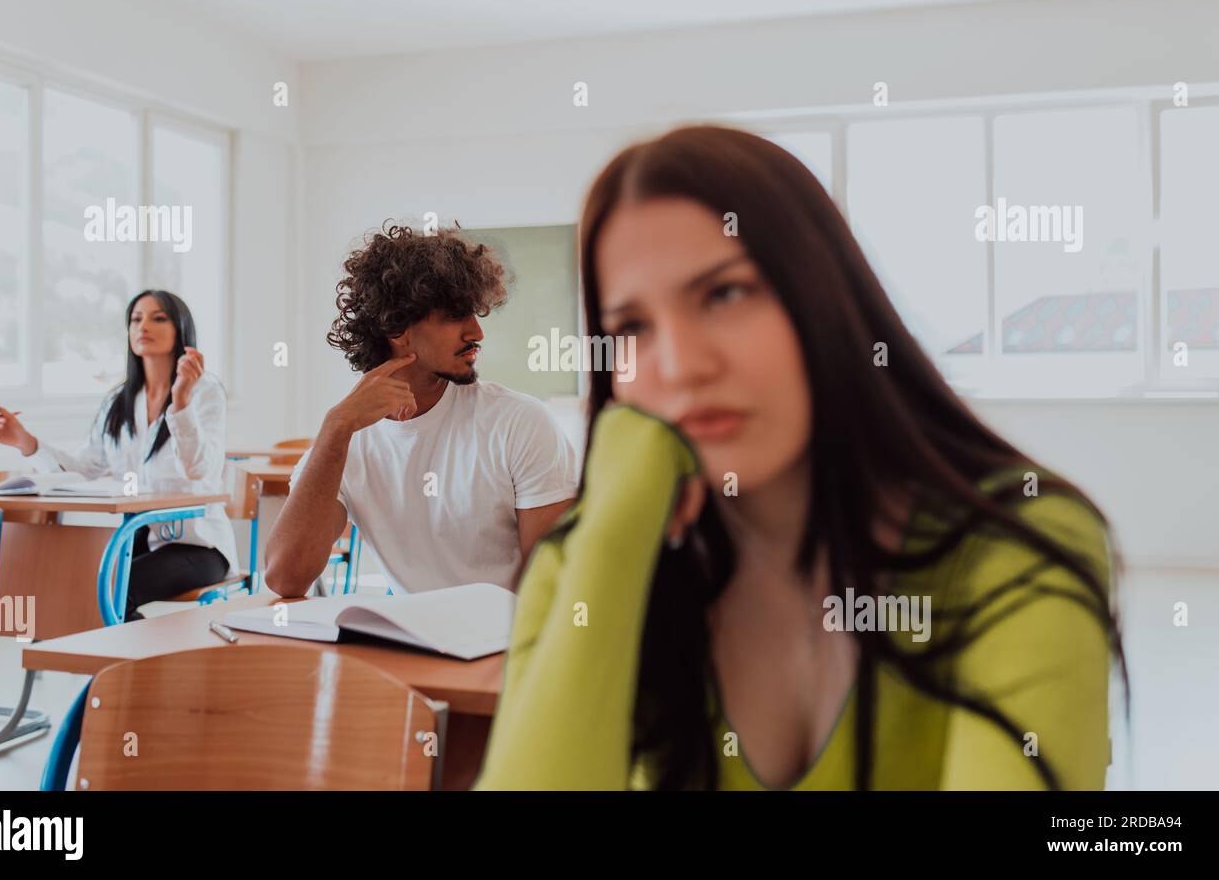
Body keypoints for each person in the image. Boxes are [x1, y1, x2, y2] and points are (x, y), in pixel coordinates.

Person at [476, 125, 1126, 790]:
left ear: (823, 295)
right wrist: (615, 530)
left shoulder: (1019, 546)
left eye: (725, 294)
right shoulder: (580, 561)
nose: (680, 365)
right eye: (632, 327)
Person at [265, 222, 578, 597]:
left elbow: (554, 585)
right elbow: (286, 576)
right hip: (412, 641)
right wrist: (336, 426)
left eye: (475, 313)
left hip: (503, 645)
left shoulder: (519, 422)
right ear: (398, 328)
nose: (477, 332)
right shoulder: (347, 438)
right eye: (454, 316)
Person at [0, 290, 236, 620]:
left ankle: (141, 669)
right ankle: (129, 668)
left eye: (157, 318)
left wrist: (181, 401)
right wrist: (26, 442)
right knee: (77, 583)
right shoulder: (118, 401)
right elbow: (86, 467)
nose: (143, 325)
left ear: (181, 330)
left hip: (200, 545)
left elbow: (198, 468)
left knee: (112, 588)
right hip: (142, 540)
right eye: (136, 319)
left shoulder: (205, 392)